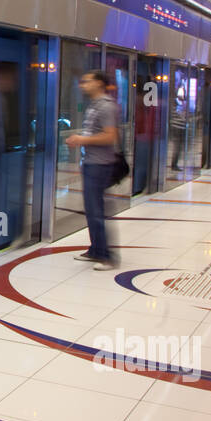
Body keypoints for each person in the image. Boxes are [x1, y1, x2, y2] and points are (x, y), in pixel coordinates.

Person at [65, 69, 120, 271]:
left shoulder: (106, 107)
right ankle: (96, 249)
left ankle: (107, 256)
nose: (82, 85)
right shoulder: (94, 105)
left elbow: (110, 136)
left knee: (97, 211)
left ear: (98, 83)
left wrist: (82, 140)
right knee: (91, 210)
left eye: (86, 81)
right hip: (91, 162)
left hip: (100, 165)